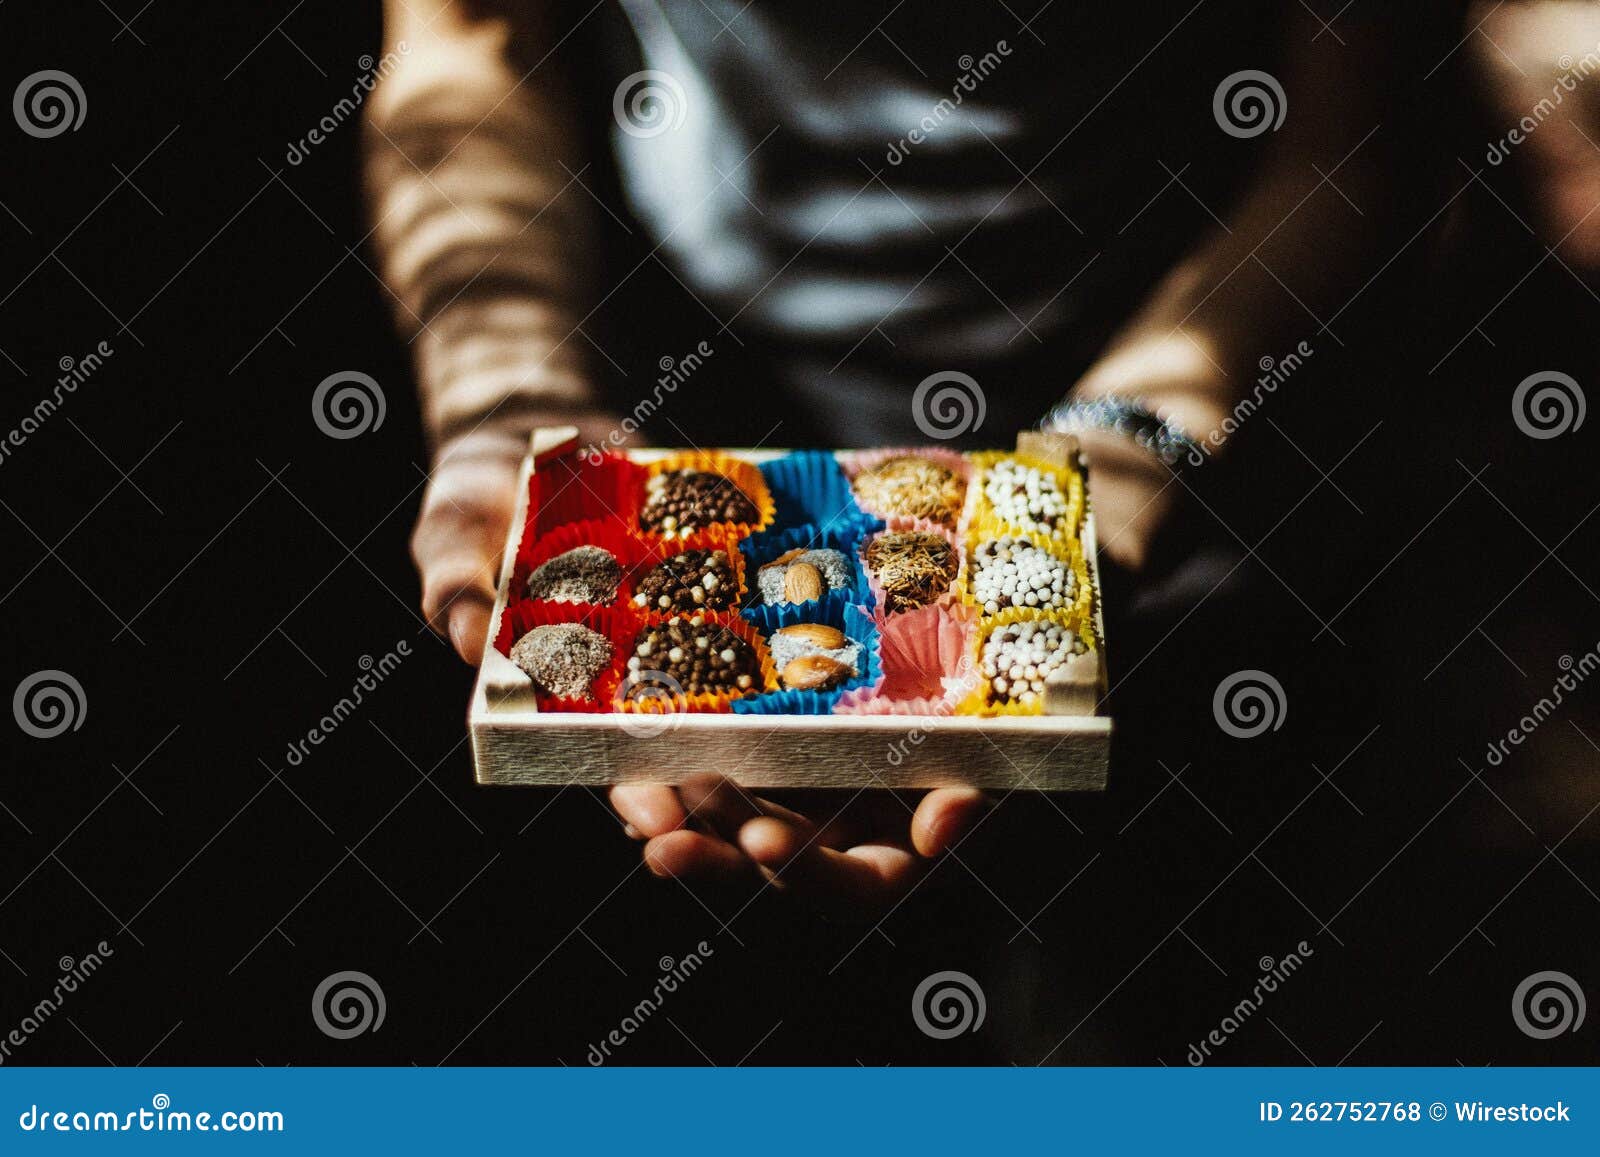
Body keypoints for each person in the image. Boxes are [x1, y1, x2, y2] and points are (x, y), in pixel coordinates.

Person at [365, 1, 1459, 913]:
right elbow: (469, 47)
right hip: (695, 369)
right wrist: (509, 391)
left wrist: (1126, 445)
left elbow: (1345, 138)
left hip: (1202, 421)